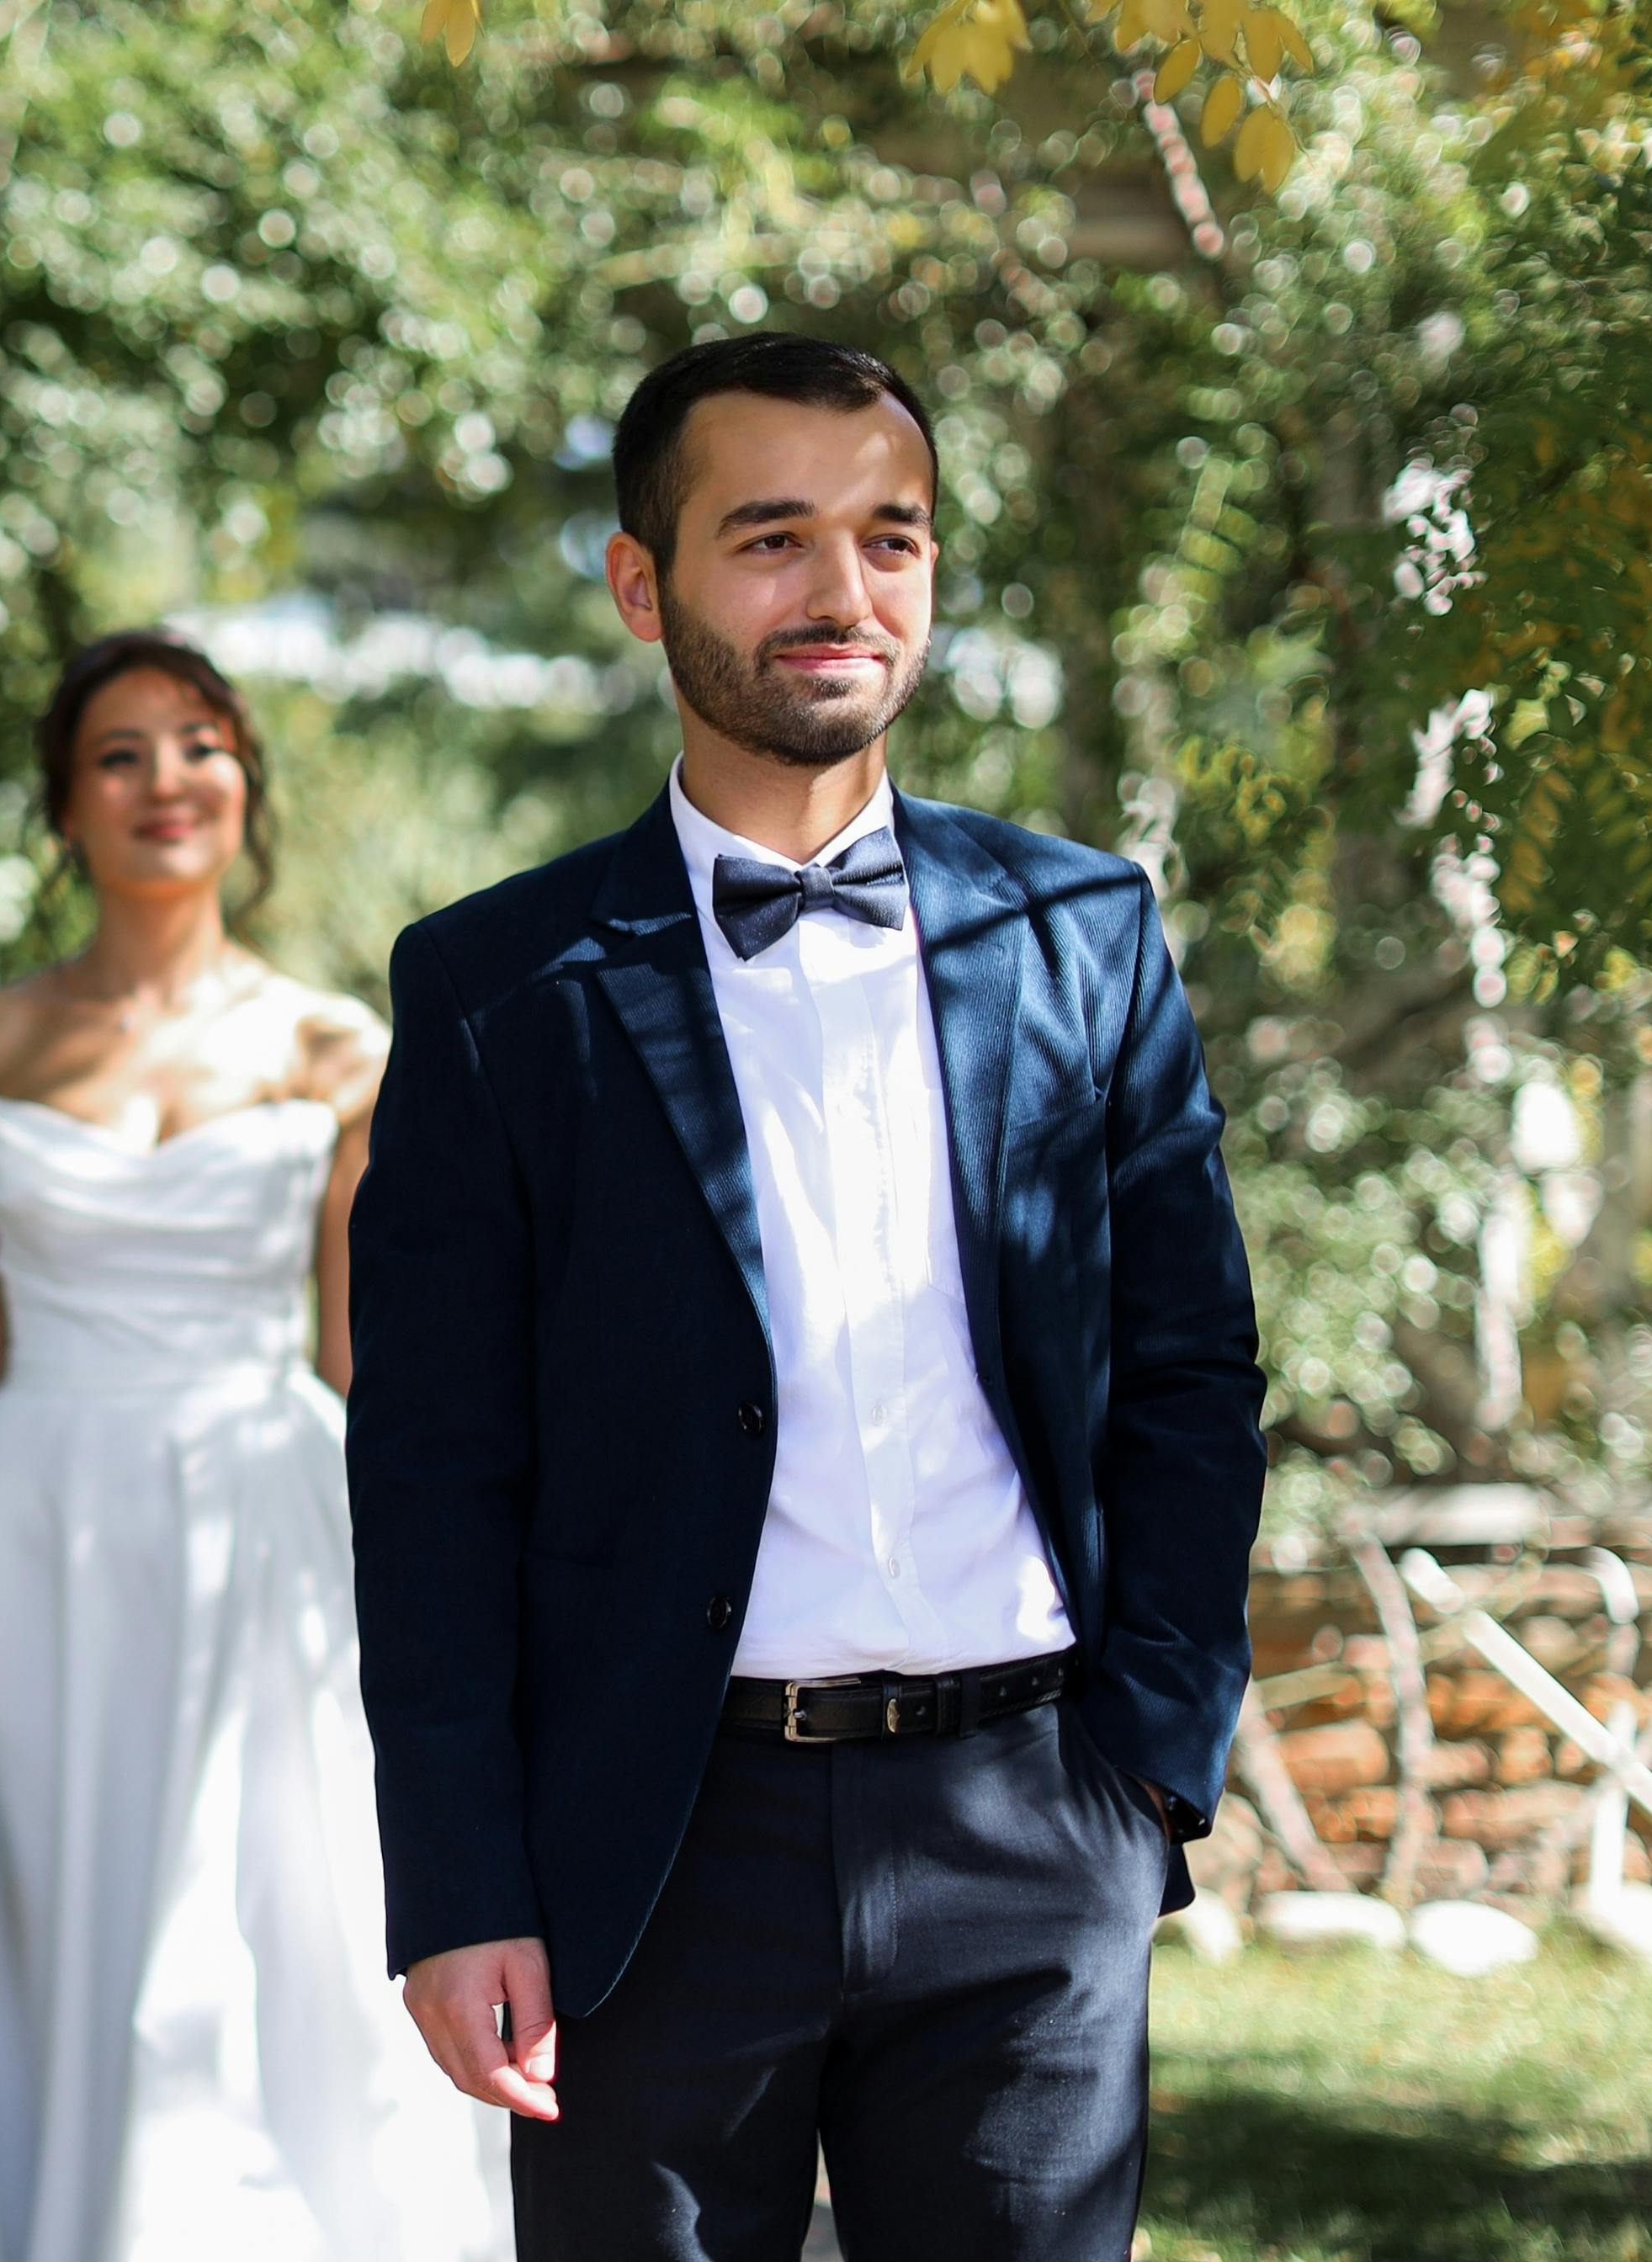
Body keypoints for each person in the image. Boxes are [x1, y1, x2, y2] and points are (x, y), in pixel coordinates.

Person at [345, 332, 1267, 2261]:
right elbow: (430, 1472)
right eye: (772, 538)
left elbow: (1190, 1371)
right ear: (641, 583)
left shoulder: (1083, 931)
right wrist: (459, 1880)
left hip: (1033, 1827)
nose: (844, 591)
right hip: (651, 1844)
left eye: (891, 537)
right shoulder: (495, 987)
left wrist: (1152, 1767)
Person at [0, 629, 514, 2262]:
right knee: (42, 1910)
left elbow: (360, 1358)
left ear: (245, 784)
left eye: (199, 746)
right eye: (117, 756)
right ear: (65, 808)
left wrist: (444, 1616)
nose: (164, 783)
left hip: (264, 1527)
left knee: (273, 1905)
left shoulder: (338, 1049)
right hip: (35, 1536)